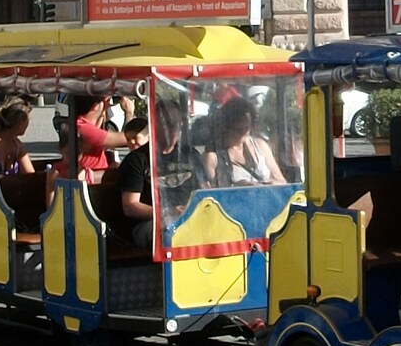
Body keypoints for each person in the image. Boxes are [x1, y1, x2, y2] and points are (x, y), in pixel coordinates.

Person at [113, 97, 186, 249]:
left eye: (174, 124)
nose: (171, 130)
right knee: (174, 231)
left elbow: (207, 191)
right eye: (165, 124)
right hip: (151, 223)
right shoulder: (137, 160)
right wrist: (167, 212)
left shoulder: (191, 155)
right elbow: (130, 206)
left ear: (181, 125)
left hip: (191, 218)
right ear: (154, 125)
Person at [202, 97, 283, 187]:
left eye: (247, 127)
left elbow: (282, 182)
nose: (244, 133)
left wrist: (271, 184)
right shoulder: (213, 157)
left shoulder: (260, 146)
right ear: (227, 126)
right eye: (239, 129)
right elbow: (212, 192)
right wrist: (238, 186)